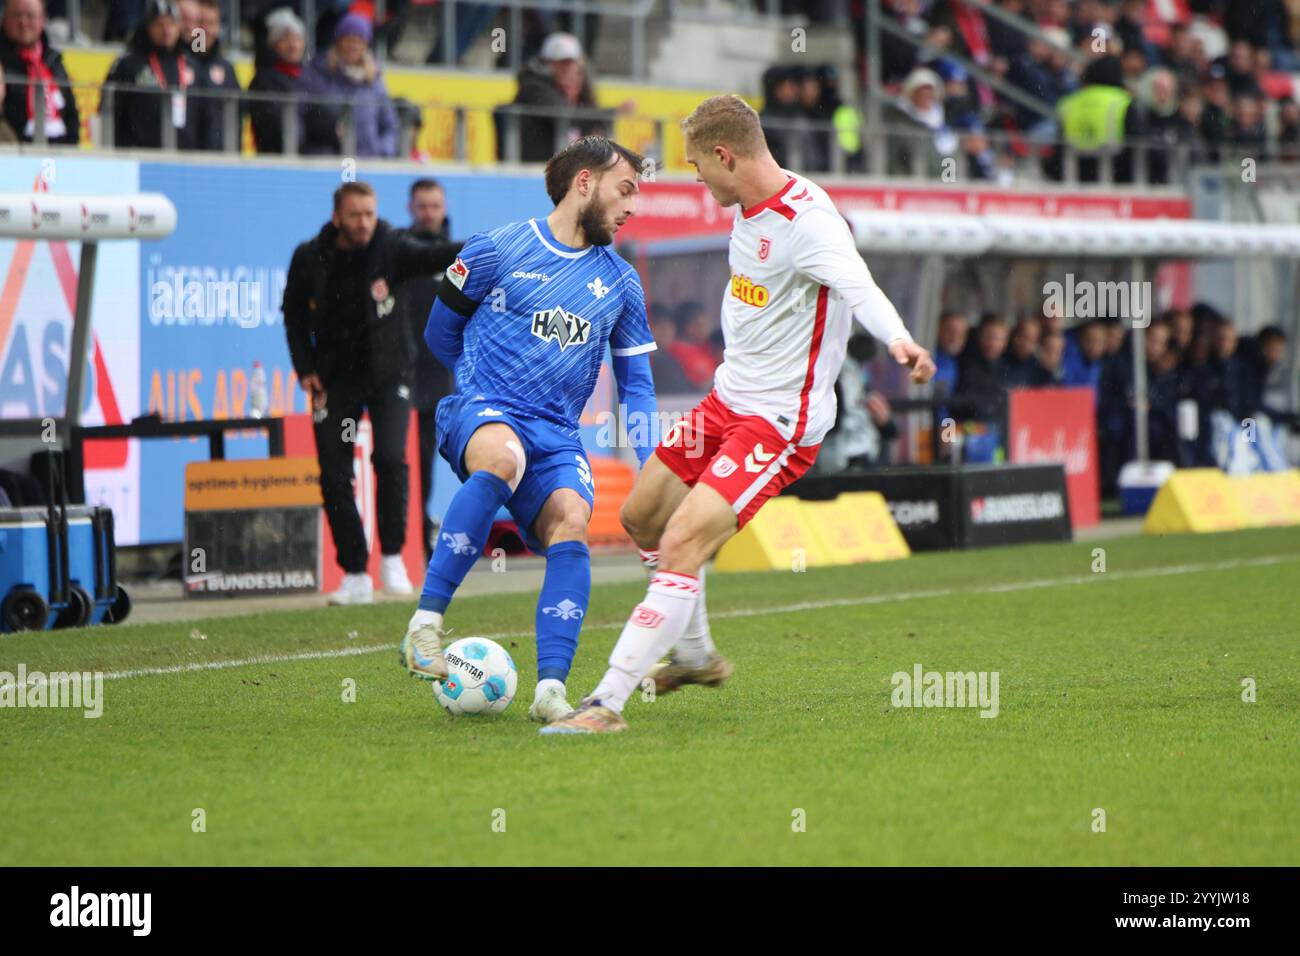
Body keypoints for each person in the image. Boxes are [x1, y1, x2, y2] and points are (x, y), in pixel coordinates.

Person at [542, 95, 934, 735]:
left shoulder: (810, 223)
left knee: (681, 542)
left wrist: (899, 339)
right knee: (642, 518)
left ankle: (605, 703)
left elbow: (858, 285)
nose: (696, 178)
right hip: (726, 401)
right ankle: (694, 654)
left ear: (725, 156)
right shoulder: (750, 209)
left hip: (777, 423)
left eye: (698, 166)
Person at [400, 136, 657, 726]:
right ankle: (424, 627)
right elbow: (440, 335)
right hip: (485, 410)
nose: (632, 207)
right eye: (625, 190)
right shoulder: (496, 249)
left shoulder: (621, 284)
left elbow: (637, 387)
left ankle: (550, 690)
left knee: (572, 519)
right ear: (584, 183)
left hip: (559, 434)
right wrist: (476, 386)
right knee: (503, 457)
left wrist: (652, 464)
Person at [282, 181, 462, 606]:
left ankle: (393, 558)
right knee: (334, 471)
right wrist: (305, 370)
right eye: (354, 215)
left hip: (390, 375)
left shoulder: (391, 247)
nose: (363, 223)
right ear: (337, 218)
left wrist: (490, 246)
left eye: (369, 213)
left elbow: (436, 254)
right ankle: (354, 572)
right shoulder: (310, 256)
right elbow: (292, 314)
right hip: (335, 380)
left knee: (390, 459)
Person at [394, 178, 455, 559]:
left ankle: (420, 536)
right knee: (397, 462)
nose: (429, 213)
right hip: (401, 376)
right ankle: (399, 538)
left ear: (444, 208)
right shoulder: (401, 252)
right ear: (410, 208)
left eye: (434, 206)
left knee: (425, 464)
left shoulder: (457, 258)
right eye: (422, 206)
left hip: (438, 381)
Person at [102, 0, 219, 150]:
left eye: (171, 24)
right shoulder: (129, 65)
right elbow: (111, 111)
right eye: (160, 24)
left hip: (186, 156)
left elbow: (207, 116)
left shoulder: (193, 66)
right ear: (149, 27)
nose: (166, 30)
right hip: (139, 153)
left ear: (178, 27)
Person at [299, 14, 398, 158]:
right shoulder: (317, 74)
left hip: (368, 160)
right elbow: (299, 114)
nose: (353, 46)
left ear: (366, 45)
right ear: (338, 42)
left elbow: (390, 126)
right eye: (348, 40)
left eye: (359, 41)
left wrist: (380, 150)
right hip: (325, 159)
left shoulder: (375, 81)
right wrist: (303, 148)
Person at [503, 31, 608, 164]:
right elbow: (562, 115)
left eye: (572, 65)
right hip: (536, 166)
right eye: (563, 64)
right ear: (547, 64)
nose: (569, 70)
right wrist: (606, 114)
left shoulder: (580, 96)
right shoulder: (534, 87)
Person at [0, 0, 79, 145]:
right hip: (13, 152)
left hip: (59, 152)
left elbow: (70, 112)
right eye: (17, 15)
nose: (23, 22)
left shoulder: (53, 60)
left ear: (43, 20)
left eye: (30, 16)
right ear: (4, 19)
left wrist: (72, 150)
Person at [179, 0, 238, 148]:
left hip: (219, 157)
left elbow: (237, 115)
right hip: (181, 155)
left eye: (212, 23)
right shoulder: (176, 63)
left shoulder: (227, 69)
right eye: (201, 23)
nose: (205, 30)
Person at [248, 6, 306, 154]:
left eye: (297, 39)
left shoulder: (310, 77)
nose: (293, 45)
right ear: (274, 44)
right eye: (285, 39)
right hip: (274, 157)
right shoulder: (263, 81)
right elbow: (273, 125)